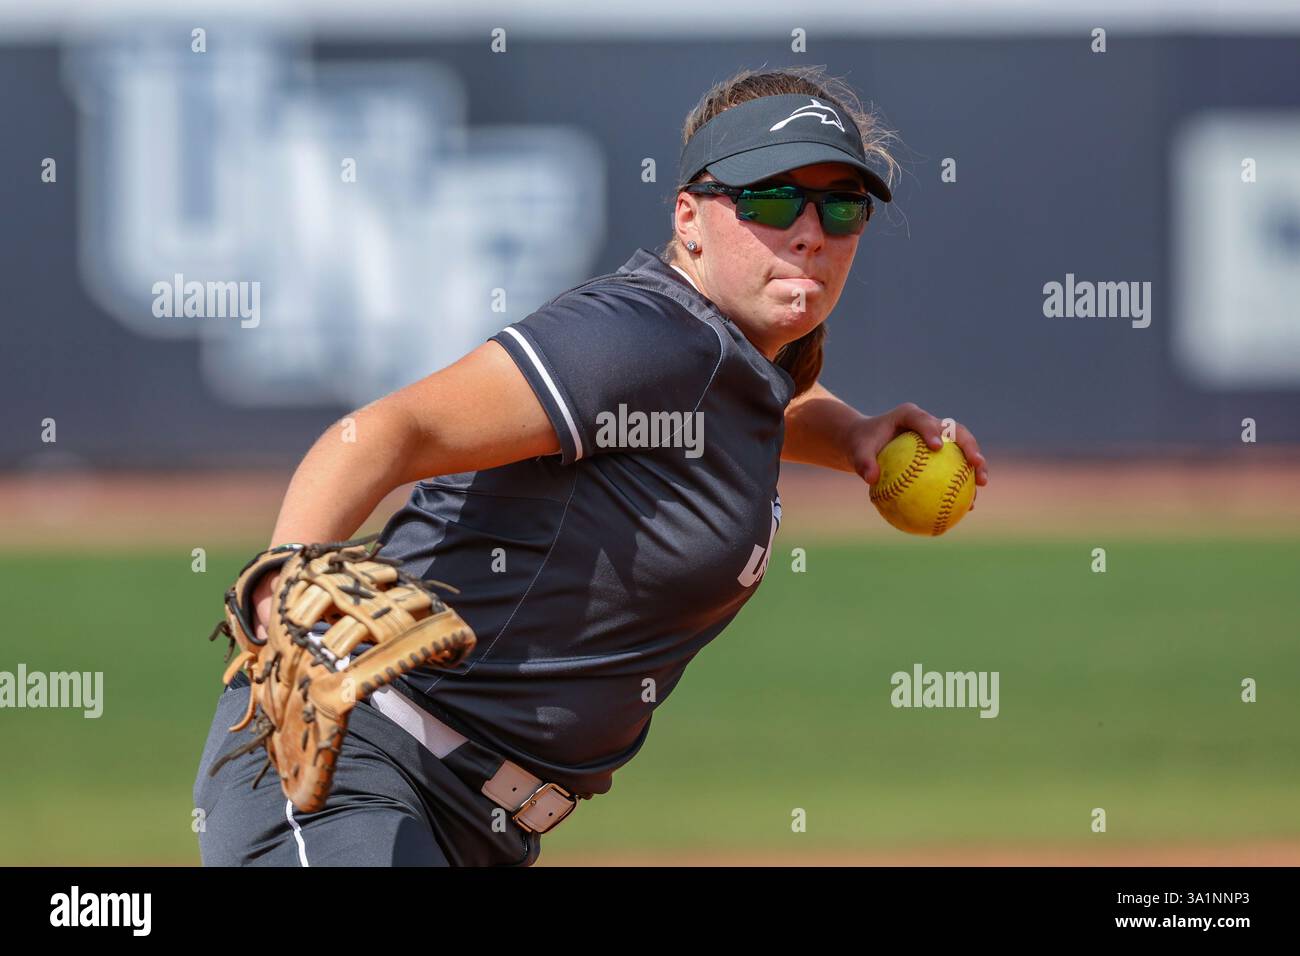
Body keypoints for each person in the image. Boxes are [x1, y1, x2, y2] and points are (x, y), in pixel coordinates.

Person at [193, 65, 989, 867]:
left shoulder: (733, 366)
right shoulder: (636, 336)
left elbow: (747, 406)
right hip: (349, 766)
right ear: (691, 217)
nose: (810, 231)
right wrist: (280, 575)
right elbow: (388, 431)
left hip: (474, 827)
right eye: (771, 199)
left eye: (840, 205)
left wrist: (852, 433)